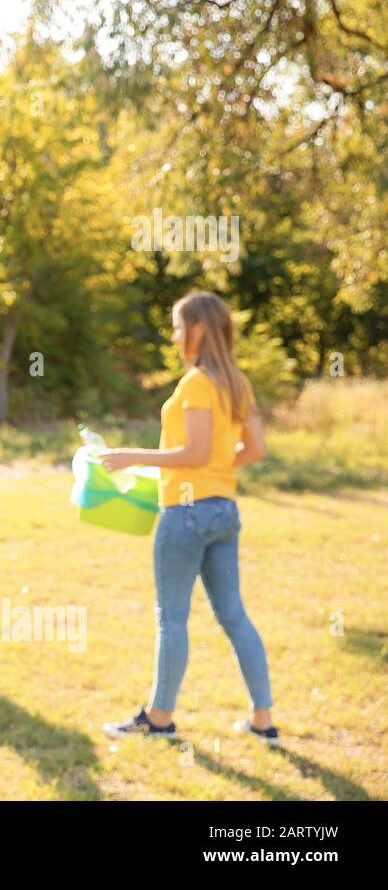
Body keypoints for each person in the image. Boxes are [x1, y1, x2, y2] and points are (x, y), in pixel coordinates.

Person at [100, 291, 278, 746]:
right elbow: (253, 449)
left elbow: (195, 451)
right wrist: (215, 471)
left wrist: (129, 457)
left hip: (186, 512)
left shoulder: (198, 382)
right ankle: (263, 721)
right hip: (224, 510)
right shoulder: (237, 381)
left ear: (198, 329)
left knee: (172, 617)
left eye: (179, 326)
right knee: (233, 614)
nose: (176, 334)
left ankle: (158, 718)